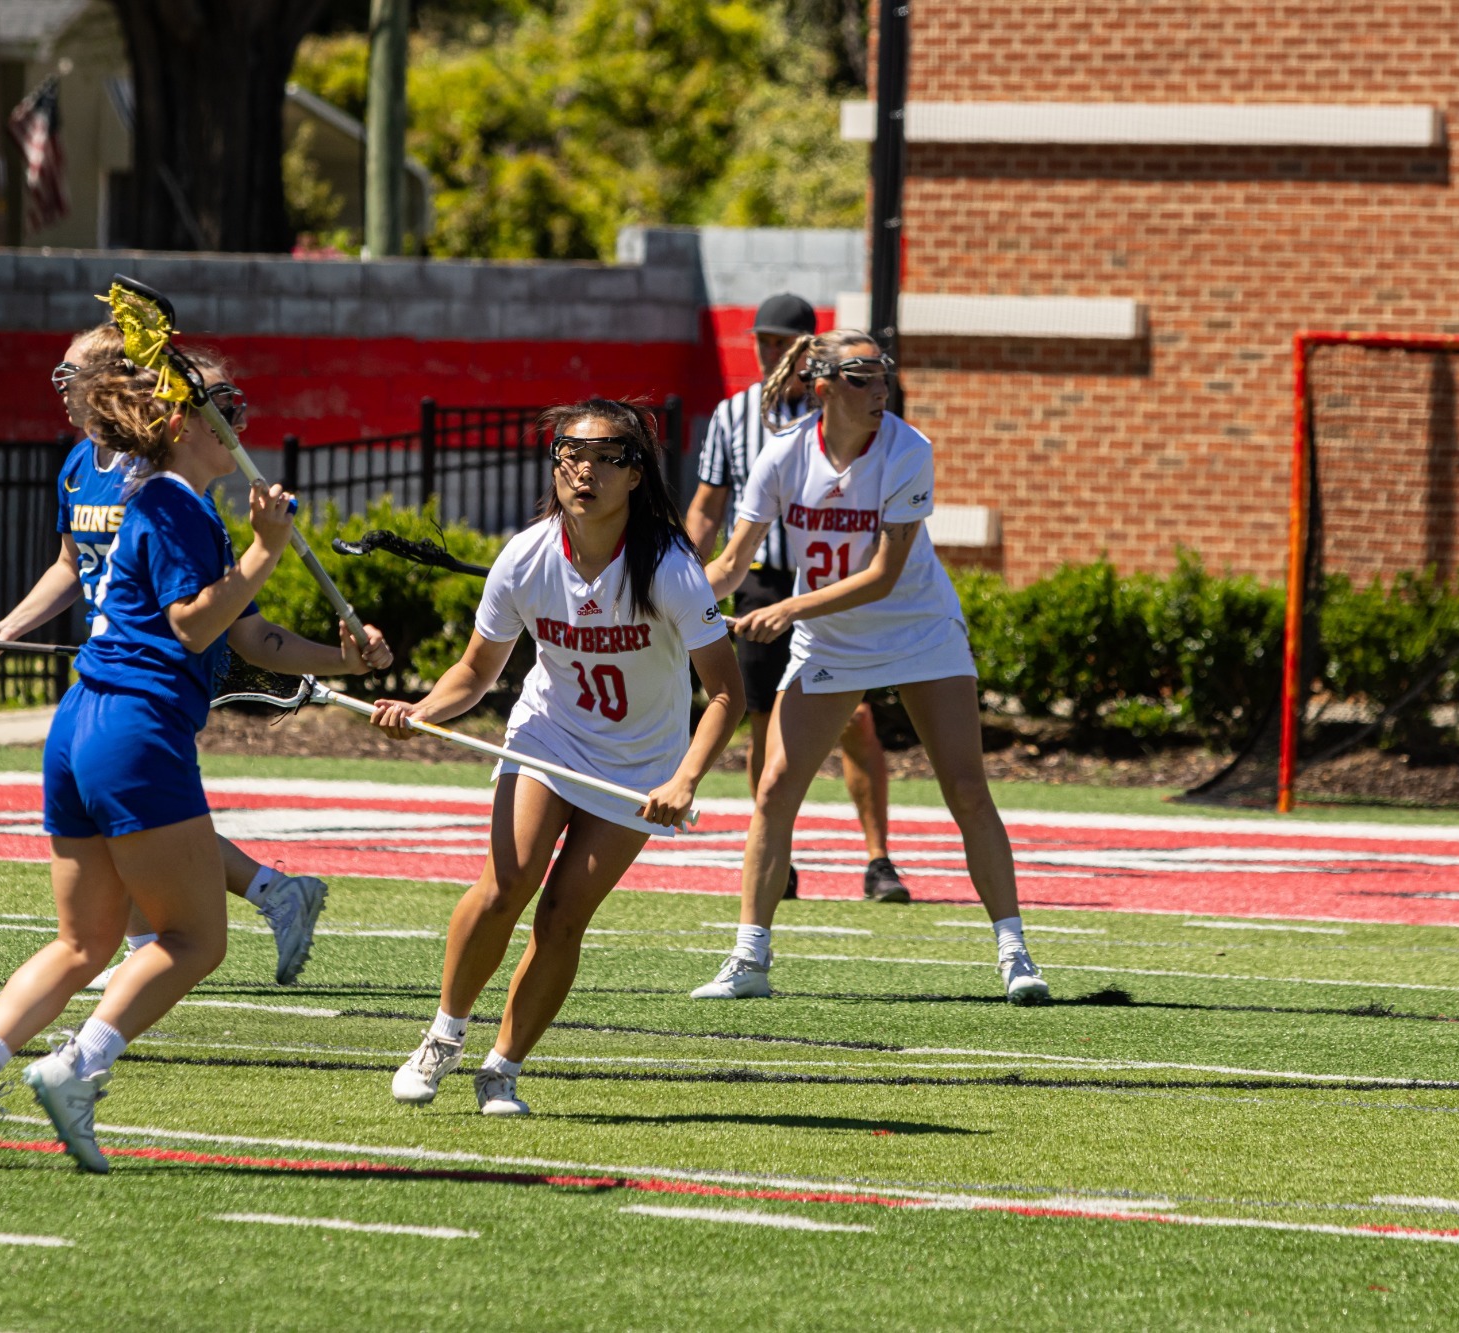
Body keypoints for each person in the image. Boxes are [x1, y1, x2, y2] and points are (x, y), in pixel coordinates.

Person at [0, 353, 389, 1172]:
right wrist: (267, 549)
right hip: (134, 730)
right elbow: (195, 626)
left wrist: (349, 661)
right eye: (223, 406)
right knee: (196, 937)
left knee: (82, 942)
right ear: (182, 422)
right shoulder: (171, 503)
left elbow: (248, 633)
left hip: (82, 725)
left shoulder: (175, 504)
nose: (238, 421)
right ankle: (76, 1067)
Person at [373, 398, 743, 1116]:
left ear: (636, 474)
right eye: (572, 455)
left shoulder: (669, 566)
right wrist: (421, 712)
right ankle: (442, 1035)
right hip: (548, 736)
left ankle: (502, 1069)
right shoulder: (527, 555)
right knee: (505, 885)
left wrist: (684, 779)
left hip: (641, 764)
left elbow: (728, 693)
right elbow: (476, 672)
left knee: (564, 914)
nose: (586, 471)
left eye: (608, 458)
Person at [0, 325, 353, 988]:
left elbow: (232, 629)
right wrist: (9, 624)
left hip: (155, 684)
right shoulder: (77, 466)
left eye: (72, 375)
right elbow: (69, 564)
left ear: (115, 381)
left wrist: (340, 656)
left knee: (140, 824)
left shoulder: (171, 494)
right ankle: (226, 915)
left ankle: (207, 928)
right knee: (130, 825)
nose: (61, 390)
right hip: (105, 679)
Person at [689, 330, 1051, 1006]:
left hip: (918, 628)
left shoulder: (909, 450)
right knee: (773, 788)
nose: (879, 387)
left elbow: (885, 575)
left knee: (967, 789)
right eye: (861, 377)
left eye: (882, 373)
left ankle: (1015, 953)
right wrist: (671, 597)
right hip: (831, 640)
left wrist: (790, 608)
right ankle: (749, 959)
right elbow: (734, 563)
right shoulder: (783, 455)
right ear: (821, 387)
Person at [683, 294, 906, 904]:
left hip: (835, 584)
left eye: (783, 342)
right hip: (756, 578)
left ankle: (878, 859)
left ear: (812, 355)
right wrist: (675, 578)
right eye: (763, 341)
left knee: (856, 721)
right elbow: (708, 510)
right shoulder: (733, 416)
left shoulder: (851, 411)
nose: (770, 353)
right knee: (765, 730)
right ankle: (776, 858)